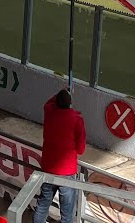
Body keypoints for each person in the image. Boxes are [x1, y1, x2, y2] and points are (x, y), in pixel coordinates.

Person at [33, 89, 85, 223]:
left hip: (48, 168)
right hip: (67, 173)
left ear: (56, 102)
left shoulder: (49, 111)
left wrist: (63, 91)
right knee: (67, 214)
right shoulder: (77, 119)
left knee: (42, 205)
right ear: (70, 103)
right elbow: (80, 149)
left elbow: (48, 103)